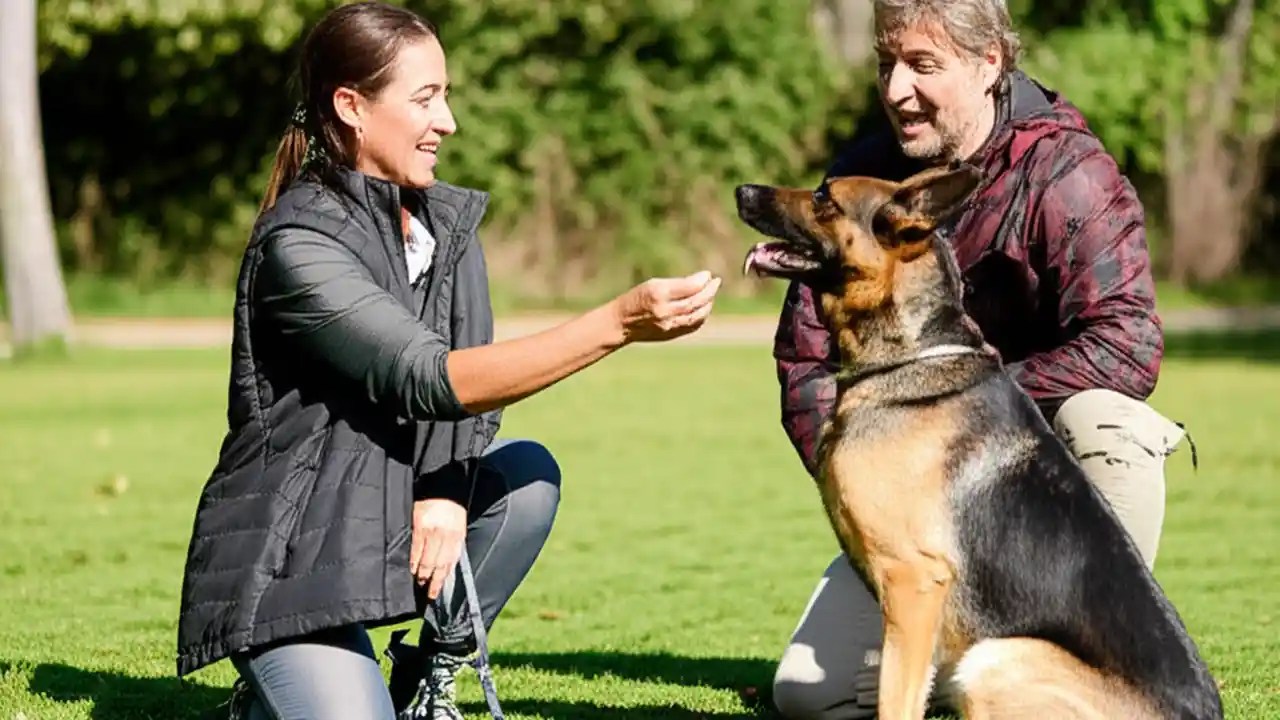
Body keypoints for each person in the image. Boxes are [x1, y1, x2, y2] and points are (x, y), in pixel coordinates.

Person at [173, 3, 721, 719]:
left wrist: (447, 490)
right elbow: (428, 377)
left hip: (387, 518)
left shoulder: (445, 227)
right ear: (352, 108)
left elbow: (475, 394)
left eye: (448, 95)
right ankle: (264, 697)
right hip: (290, 563)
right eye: (426, 98)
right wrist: (616, 323)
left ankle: (427, 678)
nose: (448, 121)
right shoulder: (299, 247)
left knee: (526, 480)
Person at [768, 1, 1191, 717]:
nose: (896, 89)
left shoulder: (1066, 171)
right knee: (809, 695)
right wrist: (870, 486)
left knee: (1112, 423)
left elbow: (1128, 340)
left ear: (989, 63)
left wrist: (966, 411)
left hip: (1041, 476)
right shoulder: (864, 181)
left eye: (922, 66)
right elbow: (805, 359)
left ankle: (1082, 658)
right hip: (910, 484)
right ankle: (961, 663)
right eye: (886, 64)